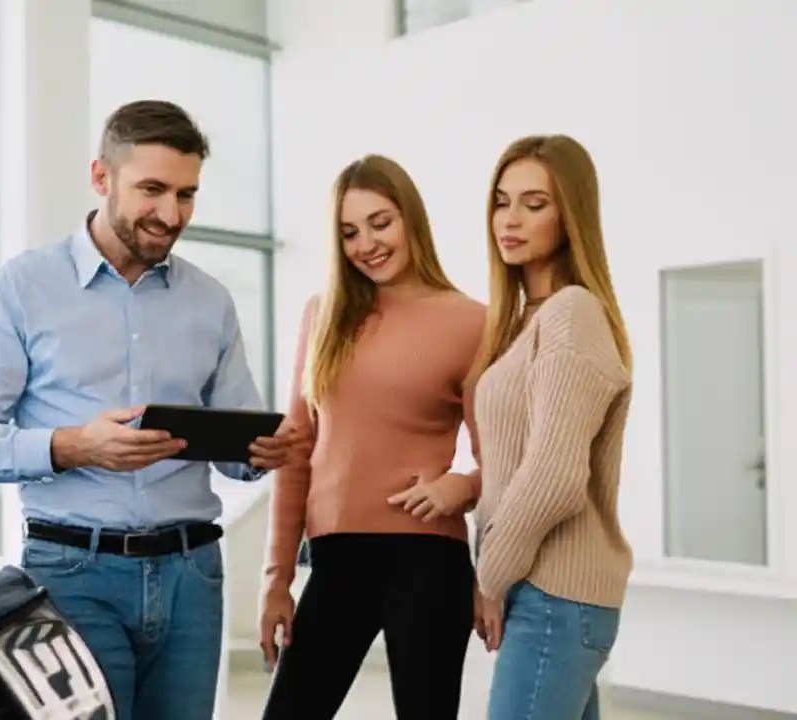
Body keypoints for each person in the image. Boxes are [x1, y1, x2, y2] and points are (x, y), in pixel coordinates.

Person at [0, 99, 302, 720]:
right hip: (75, 573)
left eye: (187, 195)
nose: (171, 214)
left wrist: (262, 453)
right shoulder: (23, 287)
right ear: (101, 177)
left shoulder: (210, 301)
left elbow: (238, 452)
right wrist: (75, 445)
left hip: (193, 575)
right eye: (152, 190)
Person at [258, 154, 486, 720]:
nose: (366, 244)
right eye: (349, 232)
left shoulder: (474, 321)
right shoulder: (325, 314)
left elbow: (504, 458)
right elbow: (296, 452)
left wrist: (462, 487)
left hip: (428, 558)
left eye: (380, 223)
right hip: (336, 560)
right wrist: (277, 580)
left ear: (411, 218)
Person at [467, 134, 634, 720]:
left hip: (553, 595)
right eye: (502, 201)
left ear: (572, 214)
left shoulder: (571, 313)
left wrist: (490, 576)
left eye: (534, 204)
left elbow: (555, 475)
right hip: (548, 595)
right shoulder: (524, 321)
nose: (509, 220)